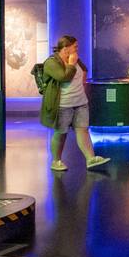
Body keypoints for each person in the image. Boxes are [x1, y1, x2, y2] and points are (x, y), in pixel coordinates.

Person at [40, 35, 108, 173]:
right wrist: (71, 64)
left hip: (81, 103)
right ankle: (56, 161)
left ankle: (90, 159)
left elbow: (83, 70)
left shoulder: (76, 59)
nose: (77, 49)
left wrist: (81, 86)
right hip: (63, 105)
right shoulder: (51, 62)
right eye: (75, 46)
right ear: (65, 48)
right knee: (61, 133)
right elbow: (63, 77)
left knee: (83, 130)